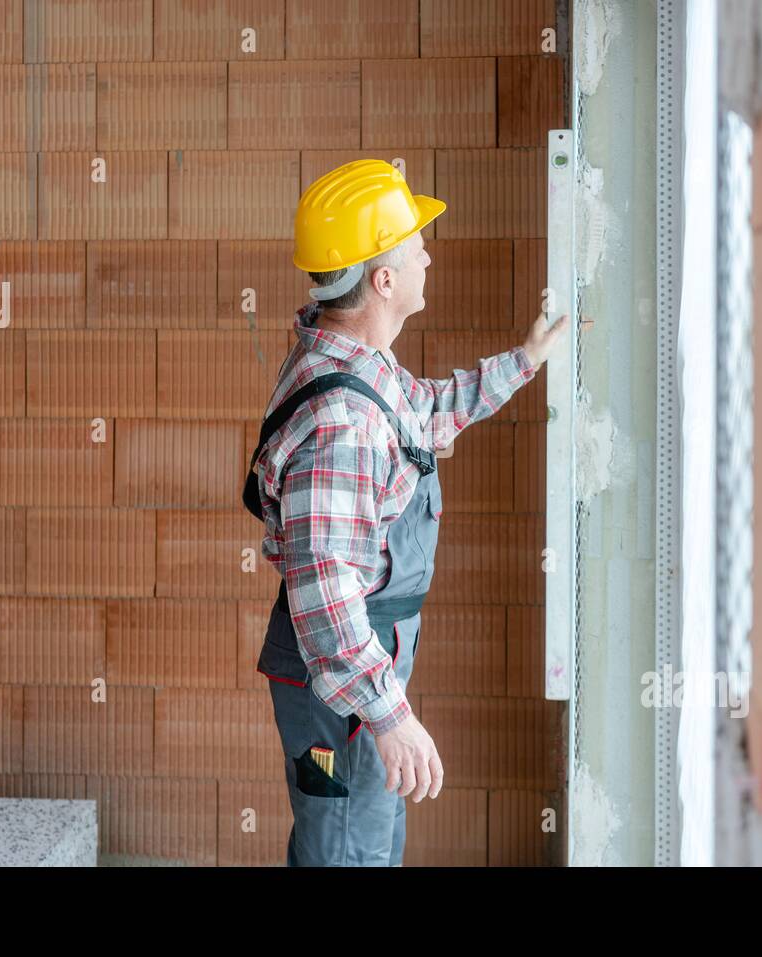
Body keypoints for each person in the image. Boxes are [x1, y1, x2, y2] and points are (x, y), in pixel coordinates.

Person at [243, 158, 568, 866]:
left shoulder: (358, 360)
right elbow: (327, 589)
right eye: (415, 241)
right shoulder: (345, 423)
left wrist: (526, 358)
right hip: (338, 696)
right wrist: (387, 715)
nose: (427, 252)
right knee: (346, 846)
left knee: (365, 834)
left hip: (355, 677)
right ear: (384, 279)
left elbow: (426, 412)